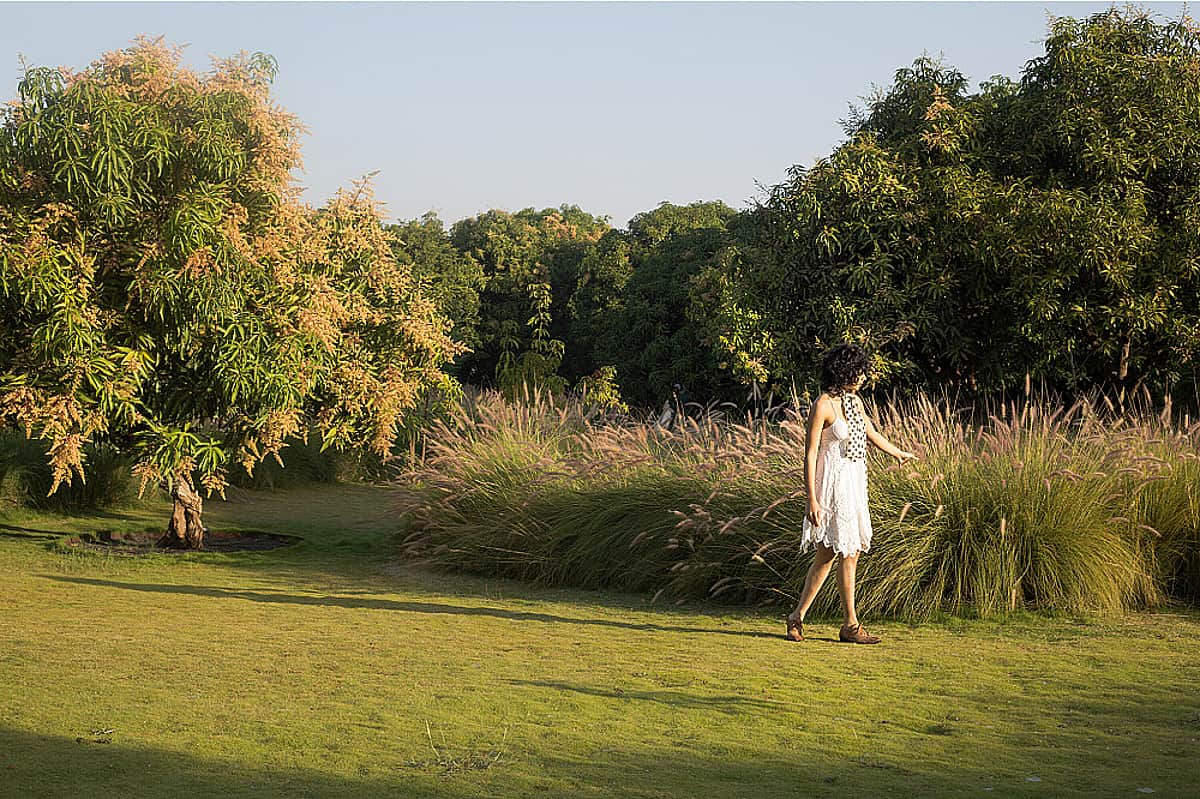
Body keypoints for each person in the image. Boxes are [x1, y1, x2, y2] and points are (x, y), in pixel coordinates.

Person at [785, 343, 917, 644]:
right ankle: (833, 622)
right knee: (834, 554)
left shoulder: (855, 403)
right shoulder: (823, 405)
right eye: (858, 371)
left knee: (842, 554)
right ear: (843, 371)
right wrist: (812, 499)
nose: (863, 377)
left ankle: (817, 620)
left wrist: (898, 453)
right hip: (831, 485)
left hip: (855, 482)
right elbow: (810, 454)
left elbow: (871, 434)